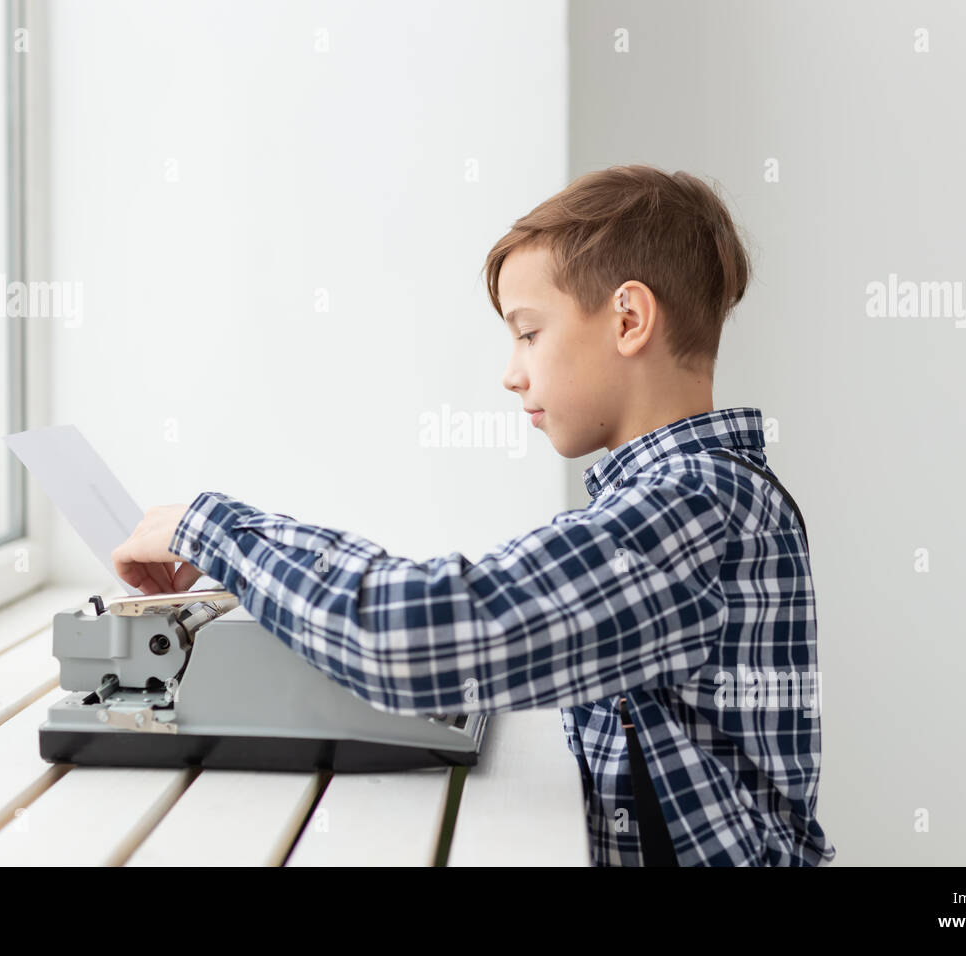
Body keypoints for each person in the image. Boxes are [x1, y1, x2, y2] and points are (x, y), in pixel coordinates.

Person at [112, 164, 835, 867]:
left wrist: (215, 529)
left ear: (629, 320)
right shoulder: (678, 497)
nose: (511, 371)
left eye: (528, 332)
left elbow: (412, 635)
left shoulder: (691, 509)